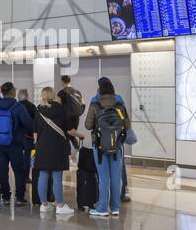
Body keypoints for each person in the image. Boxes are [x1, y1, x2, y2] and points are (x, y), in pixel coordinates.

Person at [83, 76, 130, 218]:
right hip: (117, 146)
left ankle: (102, 208)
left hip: (100, 147)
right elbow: (127, 125)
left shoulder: (95, 102)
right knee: (116, 178)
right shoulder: (119, 102)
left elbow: (88, 125)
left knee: (104, 178)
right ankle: (115, 208)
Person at [0, 81, 34, 204]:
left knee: (1, 171)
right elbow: (29, 124)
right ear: (14, 93)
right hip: (15, 144)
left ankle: (5, 197)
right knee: (19, 171)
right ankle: (19, 198)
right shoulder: (18, 107)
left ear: (3, 93)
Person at [34, 86, 80, 216]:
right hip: (58, 147)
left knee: (43, 175)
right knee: (57, 176)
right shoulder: (60, 109)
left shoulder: (38, 110)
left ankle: (44, 205)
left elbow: (35, 133)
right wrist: (80, 135)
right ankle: (59, 205)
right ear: (53, 95)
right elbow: (70, 130)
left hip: (42, 147)